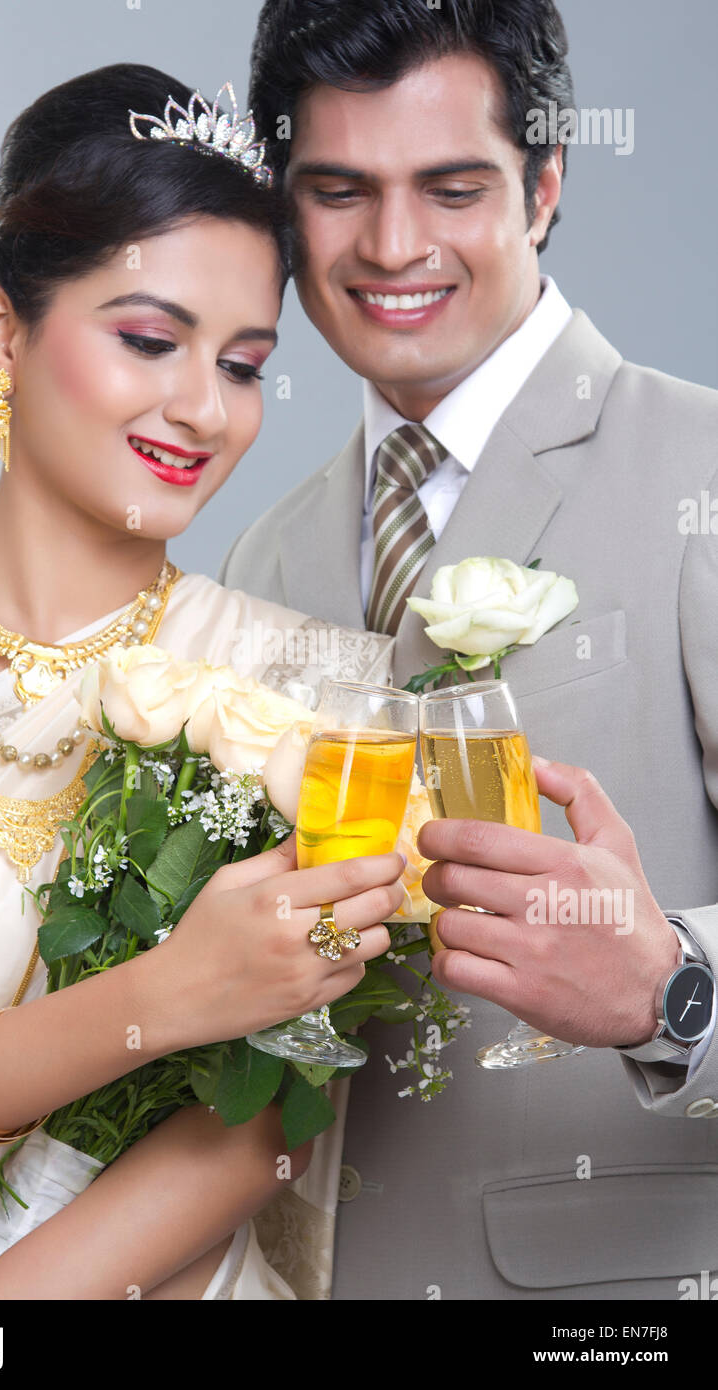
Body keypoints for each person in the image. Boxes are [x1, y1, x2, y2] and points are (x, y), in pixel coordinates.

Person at [0, 62, 405, 1301]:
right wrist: (161, 997)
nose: (203, 409)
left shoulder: (310, 690)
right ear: (1, 330)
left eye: (246, 363)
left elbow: (266, 1121)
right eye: (150, 340)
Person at [220, 0, 718, 1298]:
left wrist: (677, 985)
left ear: (542, 186)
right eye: (338, 191)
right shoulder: (262, 556)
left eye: (450, 189)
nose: (392, 247)